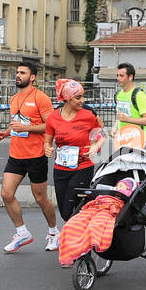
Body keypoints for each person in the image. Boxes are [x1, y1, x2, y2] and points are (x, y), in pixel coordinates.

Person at [0, 61, 57, 253]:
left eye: (22, 72)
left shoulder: (41, 98)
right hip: (16, 154)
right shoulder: (14, 98)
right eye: (17, 72)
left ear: (32, 77)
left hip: (36, 155)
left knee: (40, 198)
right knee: (6, 194)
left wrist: (27, 128)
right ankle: (22, 232)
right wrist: (5, 133)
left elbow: (51, 126)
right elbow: (16, 123)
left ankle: (54, 233)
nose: (18, 75)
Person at [43, 79, 101, 235]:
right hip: (60, 168)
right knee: (63, 209)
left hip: (83, 167)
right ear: (67, 98)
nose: (82, 101)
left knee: (71, 206)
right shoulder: (53, 117)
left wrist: (95, 146)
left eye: (83, 96)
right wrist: (47, 149)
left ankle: (76, 239)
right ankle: (80, 233)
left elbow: (101, 136)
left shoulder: (88, 116)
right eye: (78, 97)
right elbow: (47, 141)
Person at [114, 62, 146, 144]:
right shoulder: (118, 95)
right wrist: (115, 127)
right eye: (117, 75)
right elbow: (121, 116)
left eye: (121, 76)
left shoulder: (139, 95)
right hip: (124, 140)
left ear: (130, 77)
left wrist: (127, 119)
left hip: (141, 140)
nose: (118, 78)